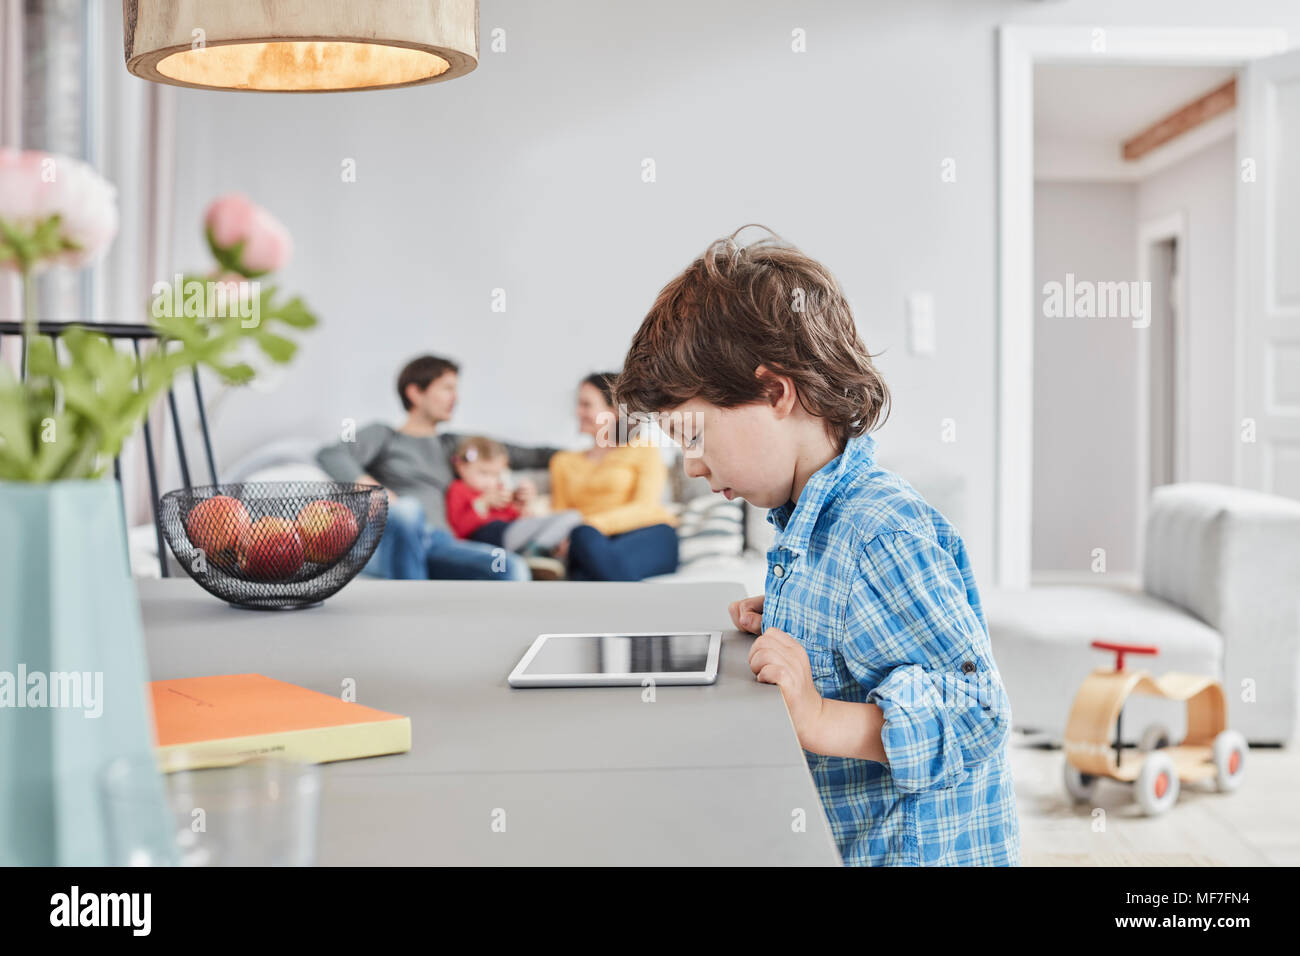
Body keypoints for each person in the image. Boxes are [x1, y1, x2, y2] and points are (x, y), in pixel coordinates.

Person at [612, 226, 1021, 866]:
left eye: (693, 437)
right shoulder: (809, 522)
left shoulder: (879, 532)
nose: (691, 467)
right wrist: (792, 623)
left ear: (776, 393)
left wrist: (818, 715)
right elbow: (870, 648)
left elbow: (977, 712)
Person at [316, 355, 558, 581]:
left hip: (440, 543)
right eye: (447, 388)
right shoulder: (385, 436)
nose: (456, 397)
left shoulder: (452, 445)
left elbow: (524, 454)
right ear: (415, 393)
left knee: (512, 568)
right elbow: (332, 454)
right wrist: (377, 492)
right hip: (394, 538)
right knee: (407, 510)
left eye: (456, 389)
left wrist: (586, 455)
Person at [547, 372, 679, 581]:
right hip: (591, 542)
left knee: (583, 561)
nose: (578, 412)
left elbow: (645, 507)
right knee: (582, 541)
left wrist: (590, 524)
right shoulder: (562, 461)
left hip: (647, 534)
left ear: (613, 411)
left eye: (586, 405)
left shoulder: (643, 449)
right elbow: (561, 516)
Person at [446, 435, 583, 578]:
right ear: (461, 466)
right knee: (570, 518)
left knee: (573, 518)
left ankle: (538, 552)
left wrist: (523, 505)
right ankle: (535, 552)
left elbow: (515, 518)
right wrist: (482, 503)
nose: (490, 482)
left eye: (495, 475)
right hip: (488, 536)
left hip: (510, 533)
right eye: (484, 473)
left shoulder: (499, 490)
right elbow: (458, 531)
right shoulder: (458, 489)